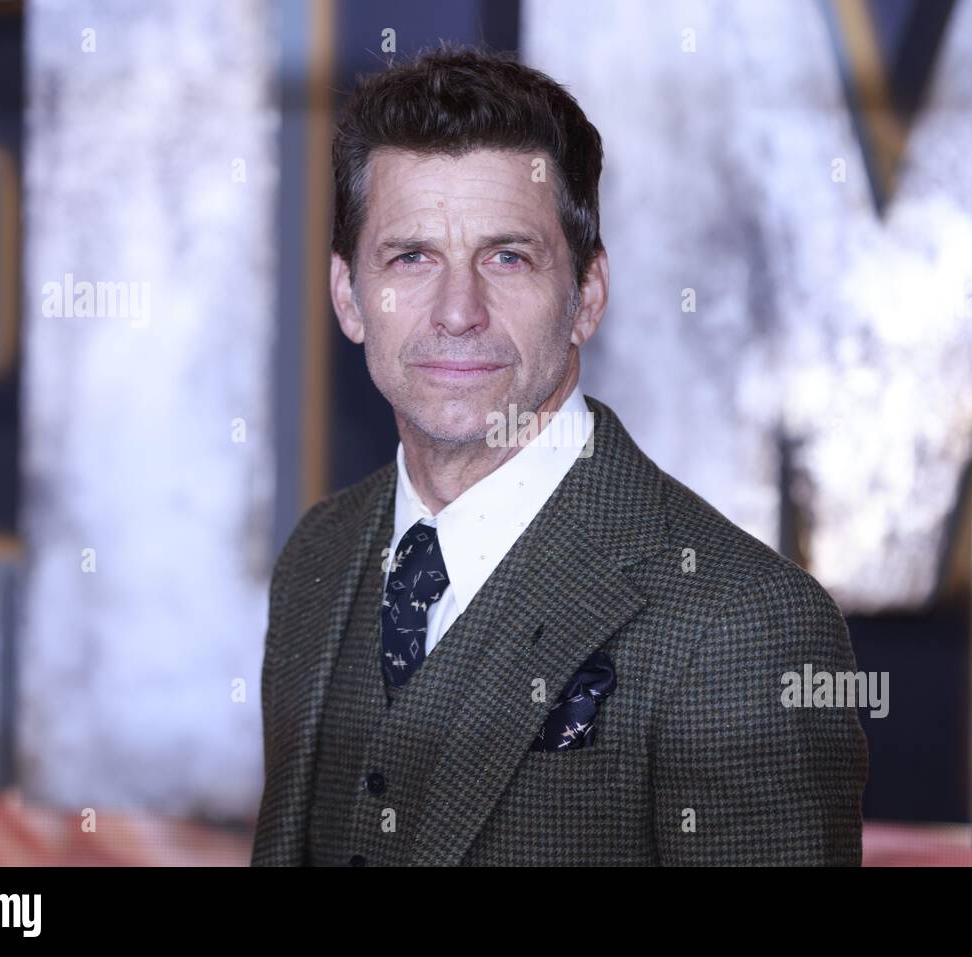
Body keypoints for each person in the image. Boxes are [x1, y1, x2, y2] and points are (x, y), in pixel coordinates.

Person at [252, 43, 867, 866]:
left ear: (587, 296)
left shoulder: (741, 625)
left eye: (508, 257)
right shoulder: (316, 559)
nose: (458, 310)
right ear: (348, 295)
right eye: (411, 257)